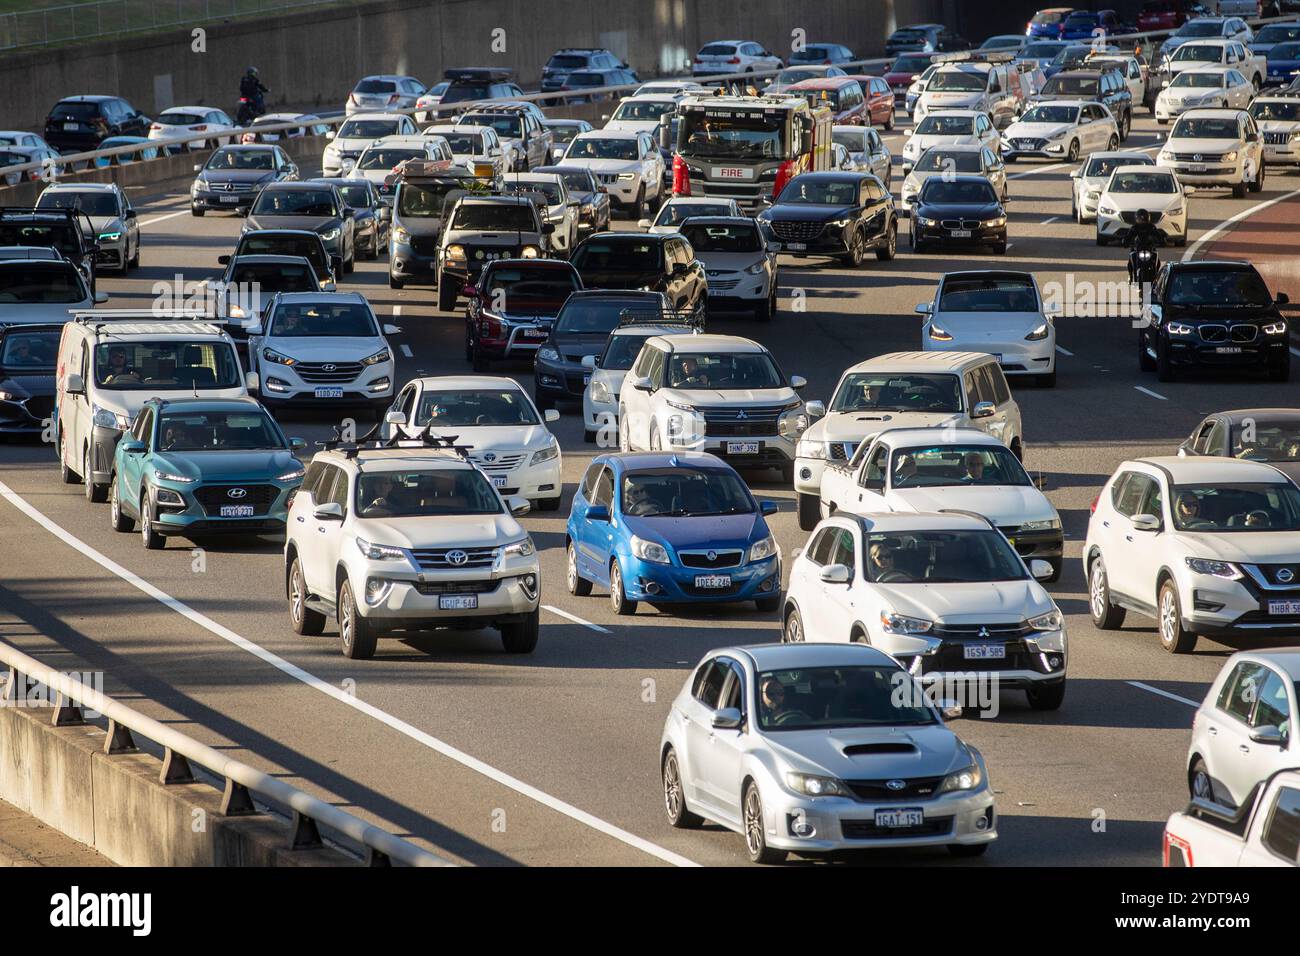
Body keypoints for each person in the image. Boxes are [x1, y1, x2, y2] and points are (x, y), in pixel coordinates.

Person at [1125, 208, 1161, 283]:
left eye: (1144, 219)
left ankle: (1156, 277)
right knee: (1131, 255)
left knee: (1157, 259)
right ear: (1137, 219)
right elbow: (1128, 236)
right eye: (1141, 219)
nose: (1142, 221)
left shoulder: (1151, 227)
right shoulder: (1134, 228)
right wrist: (1125, 242)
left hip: (1149, 249)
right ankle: (1131, 275)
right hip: (1138, 249)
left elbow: (1158, 235)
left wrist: (1161, 241)